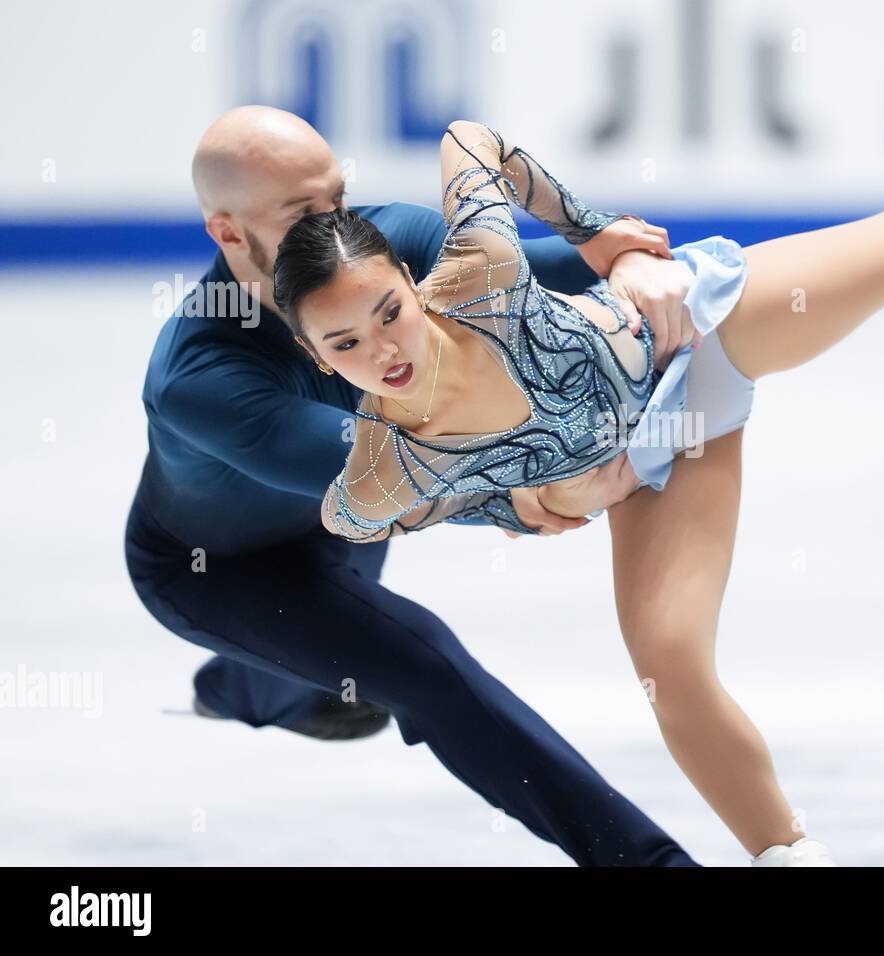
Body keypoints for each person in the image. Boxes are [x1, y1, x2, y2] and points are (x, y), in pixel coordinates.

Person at [274, 121, 884, 865]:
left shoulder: (480, 272)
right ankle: (792, 857)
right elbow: (378, 511)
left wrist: (599, 233)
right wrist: (529, 507)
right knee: (671, 669)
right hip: (660, 459)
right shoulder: (379, 469)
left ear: (409, 280)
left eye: (386, 313)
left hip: (703, 329)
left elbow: (467, 140)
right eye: (344, 345)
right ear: (310, 353)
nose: (383, 351)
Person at [125, 106, 706, 866]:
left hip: (342, 530)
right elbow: (397, 475)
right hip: (216, 572)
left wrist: (616, 255)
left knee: (332, 677)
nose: (339, 222)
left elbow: (510, 286)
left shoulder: (380, 243)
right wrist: (525, 502)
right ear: (229, 234)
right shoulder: (203, 378)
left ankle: (243, 686)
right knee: (423, 668)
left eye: (339, 194)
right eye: (305, 213)